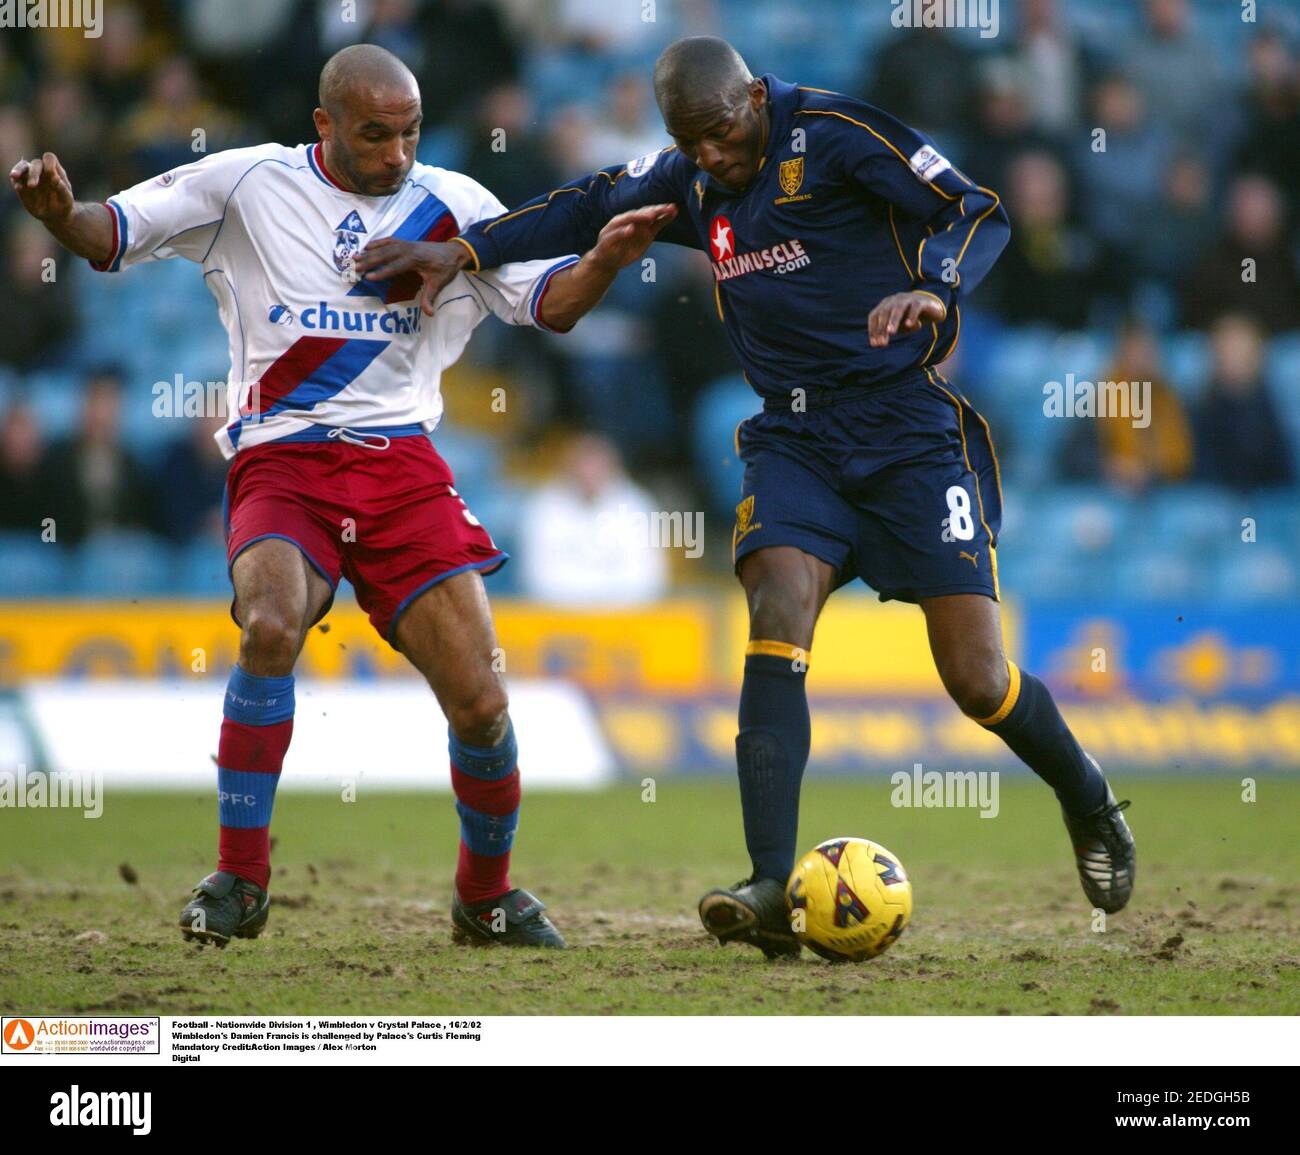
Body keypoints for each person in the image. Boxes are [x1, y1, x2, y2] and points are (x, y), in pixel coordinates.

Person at [383, 37, 1137, 958]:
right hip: (794, 438)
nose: (707, 158)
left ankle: (1086, 795)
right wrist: (464, 248)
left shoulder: (836, 134)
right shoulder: (696, 178)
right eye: (686, 142)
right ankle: (772, 884)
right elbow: (585, 204)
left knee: (975, 678)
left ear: (750, 99)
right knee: (777, 609)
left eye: (717, 134)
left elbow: (974, 209)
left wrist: (932, 290)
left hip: (903, 429)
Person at [10, 43, 666, 950]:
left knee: (480, 700)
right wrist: (58, 213)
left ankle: (486, 896)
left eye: (410, 132)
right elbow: (110, 232)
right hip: (285, 456)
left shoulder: (459, 204)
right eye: (374, 134)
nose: (397, 152)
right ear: (324, 124)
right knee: (271, 623)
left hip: (403, 465)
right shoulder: (246, 184)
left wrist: (602, 258)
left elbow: (548, 304)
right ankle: (238, 879)